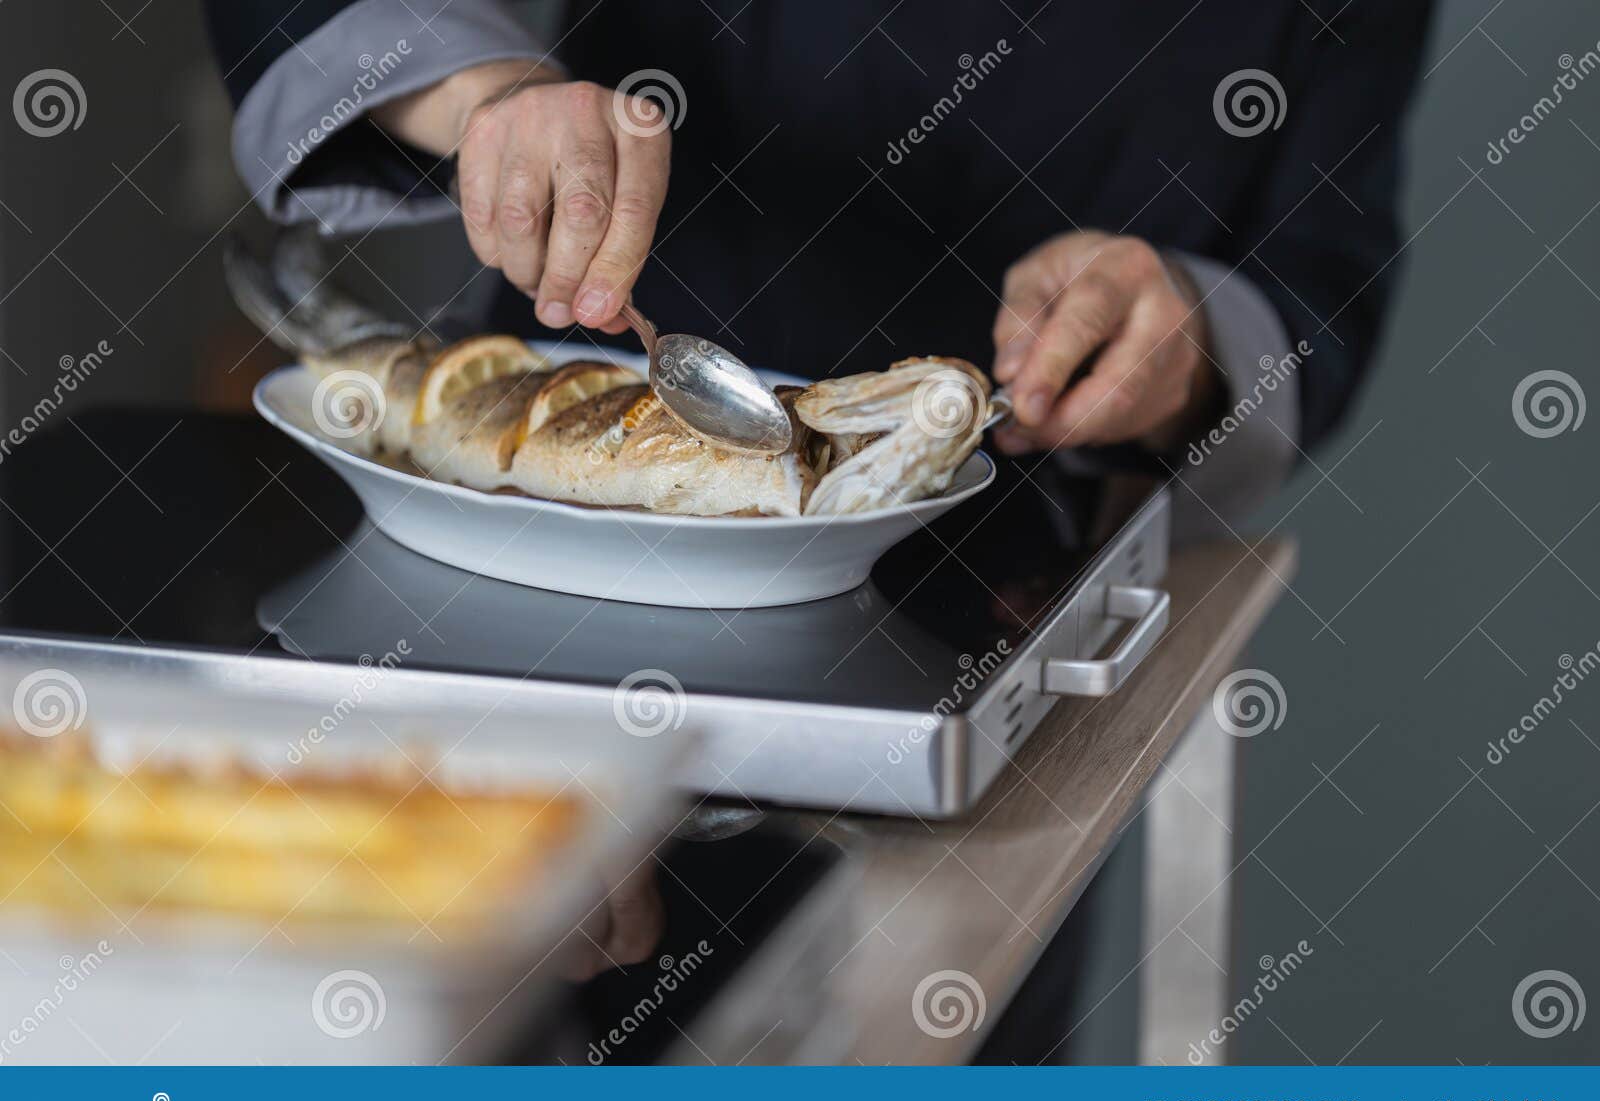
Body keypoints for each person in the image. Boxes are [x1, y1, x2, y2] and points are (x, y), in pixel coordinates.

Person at [205, 0, 1433, 534]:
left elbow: (1318, 280)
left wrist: (1187, 341)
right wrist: (493, 99)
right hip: (553, 490)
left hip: (1014, 583)